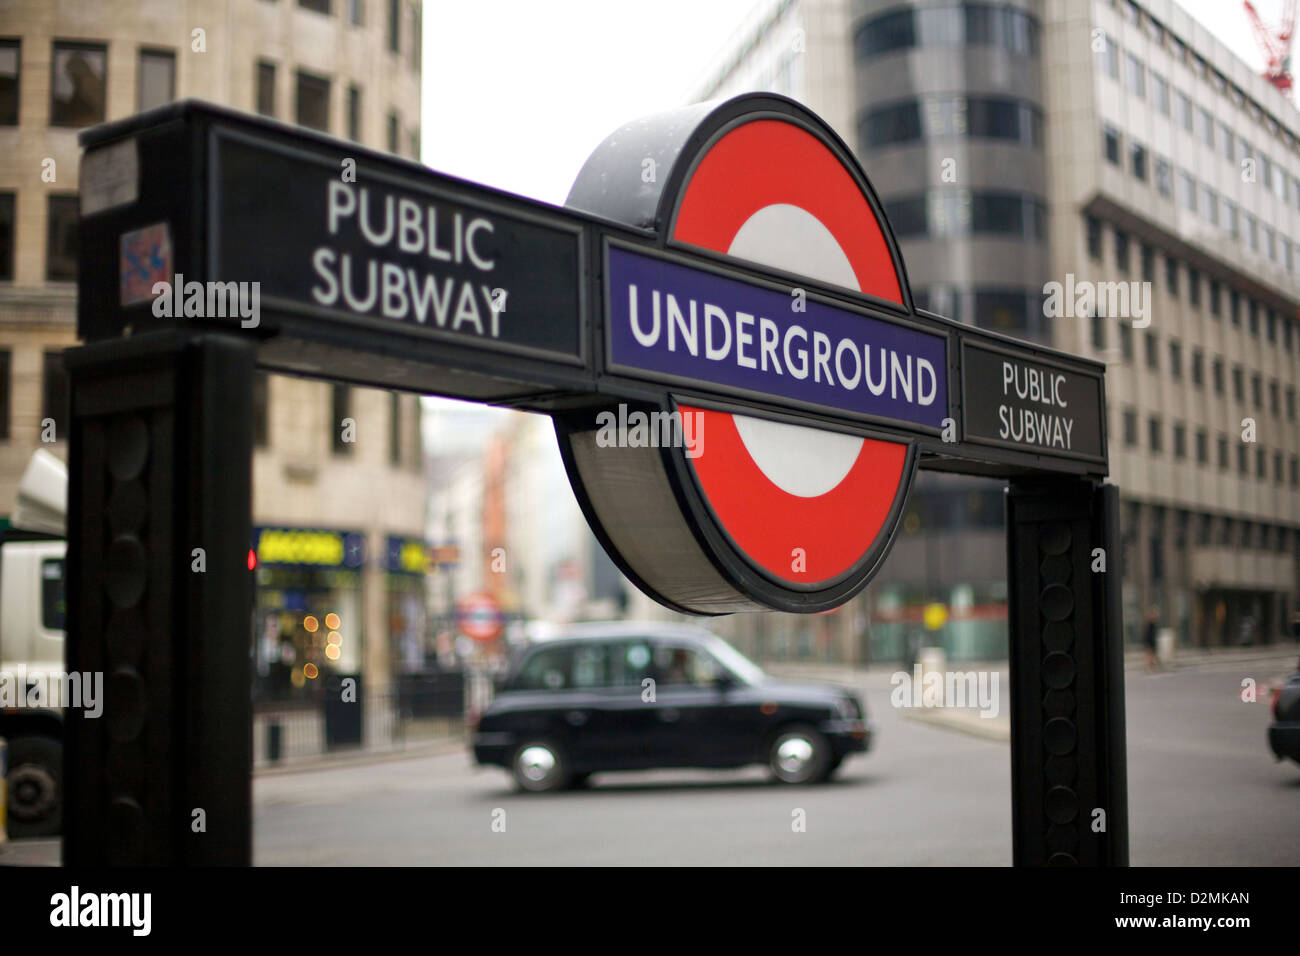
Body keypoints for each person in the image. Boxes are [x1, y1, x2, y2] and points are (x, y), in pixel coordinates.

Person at [1143, 605, 1161, 672]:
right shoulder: (1150, 624)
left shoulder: (1152, 623)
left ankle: (1152, 666)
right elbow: (1148, 634)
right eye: (1156, 614)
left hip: (1152, 640)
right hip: (1150, 641)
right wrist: (1147, 642)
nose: (1157, 616)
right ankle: (1149, 666)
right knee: (1150, 654)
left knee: (1151, 654)